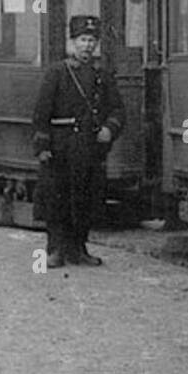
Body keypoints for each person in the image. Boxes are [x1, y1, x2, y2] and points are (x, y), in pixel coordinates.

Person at [31, 15, 124, 268]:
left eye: (92, 40)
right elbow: (41, 113)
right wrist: (42, 147)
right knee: (57, 200)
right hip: (61, 148)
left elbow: (117, 109)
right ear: (72, 42)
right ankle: (55, 249)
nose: (87, 46)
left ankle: (79, 248)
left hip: (89, 148)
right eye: (83, 40)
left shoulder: (102, 75)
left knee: (85, 199)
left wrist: (109, 129)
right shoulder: (57, 72)